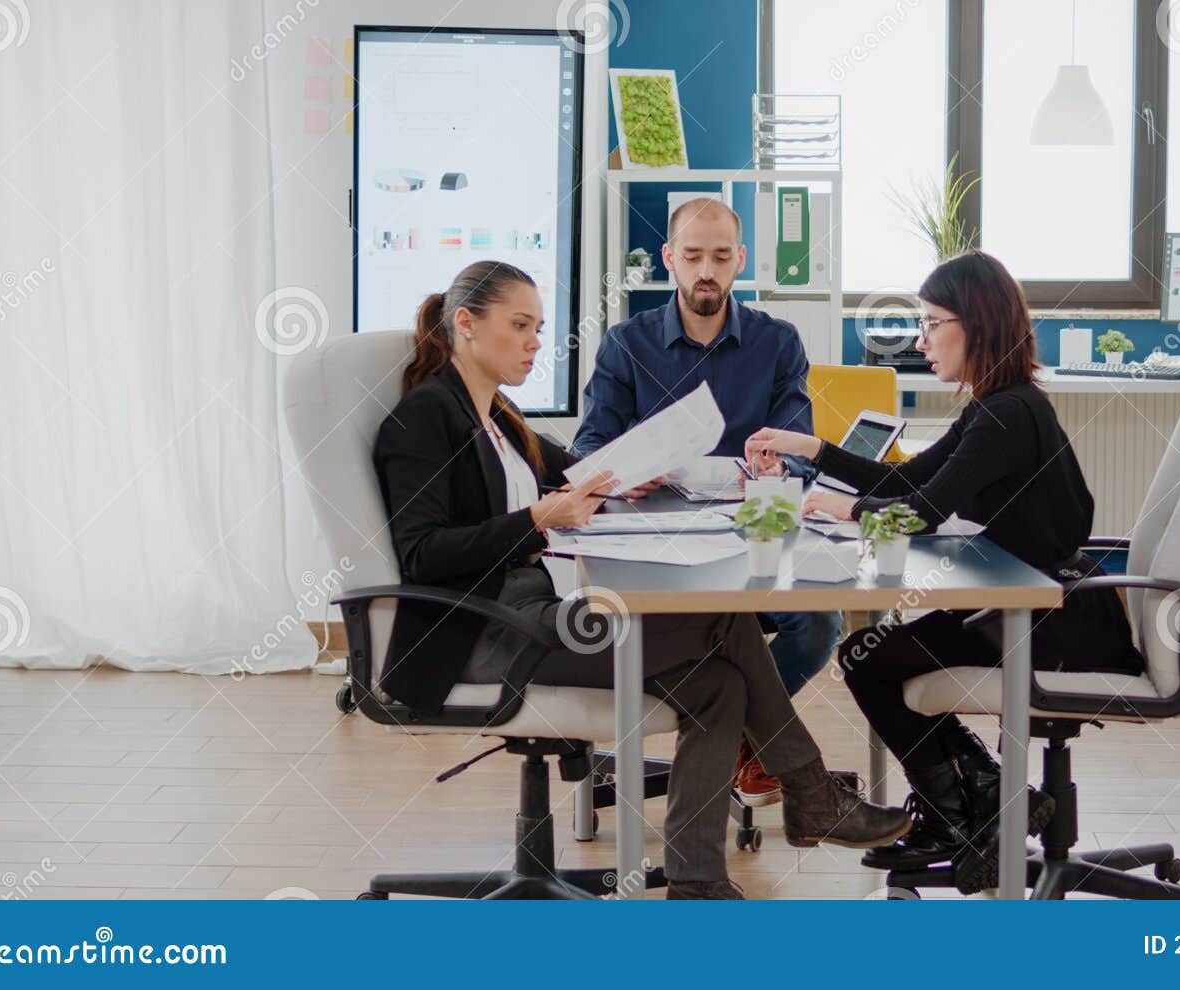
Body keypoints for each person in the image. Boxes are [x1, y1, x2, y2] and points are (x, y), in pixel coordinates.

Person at [372, 260, 910, 900]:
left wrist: (629, 472)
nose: (534, 343)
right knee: (725, 620)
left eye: (538, 329)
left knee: (716, 685)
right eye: (520, 327)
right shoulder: (426, 417)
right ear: (465, 324)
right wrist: (537, 518)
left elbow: (576, 466)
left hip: (536, 604)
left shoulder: (496, 414)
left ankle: (698, 880)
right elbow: (423, 553)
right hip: (485, 632)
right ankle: (810, 794)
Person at [744, 250, 1145, 894]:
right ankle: (975, 803)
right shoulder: (997, 405)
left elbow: (922, 512)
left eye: (933, 323)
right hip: (1035, 601)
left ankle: (962, 812)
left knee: (868, 659)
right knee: (872, 657)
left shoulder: (1007, 414)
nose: (921, 338)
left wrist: (840, 507)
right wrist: (810, 449)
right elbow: (907, 479)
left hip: (1057, 620)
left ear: (977, 326)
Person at [571, 197, 842, 806]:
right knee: (711, 633)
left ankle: (745, 742)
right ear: (669, 258)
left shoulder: (777, 342)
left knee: (823, 622)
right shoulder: (626, 343)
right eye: (692, 256)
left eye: (721, 257)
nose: (706, 271)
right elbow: (589, 446)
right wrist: (620, 473)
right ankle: (756, 744)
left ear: (740, 260)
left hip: (750, 540)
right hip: (657, 547)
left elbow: (800, 447)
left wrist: (778, 467)